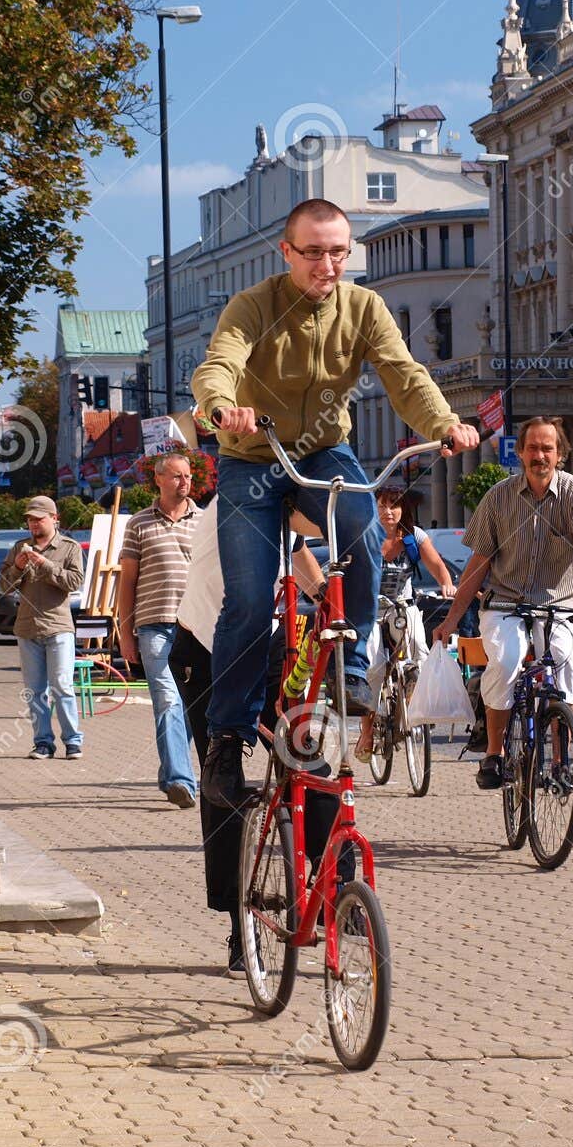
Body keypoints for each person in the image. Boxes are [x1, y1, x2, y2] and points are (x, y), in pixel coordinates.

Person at [193, 196, 480, 810]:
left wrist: (444, 423)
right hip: (251, 456)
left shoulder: (363, 306)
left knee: (363, 523)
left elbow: (404, 374)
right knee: (248, 600)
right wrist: (221, 407)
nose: (327, 265)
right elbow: (219, 364)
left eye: (338, 253)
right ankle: (226, 738)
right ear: (286, 252)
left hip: (324, 453)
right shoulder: (253, 305)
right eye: (313, 253)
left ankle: (351, 666)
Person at [172, 504, 328, 974]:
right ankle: (240, 923)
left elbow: (297, 548)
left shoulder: (279, 506)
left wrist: (325, 595)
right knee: (224, 780)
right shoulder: (238, 504)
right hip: (205, 650)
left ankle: (335, 886)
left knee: (306, 756)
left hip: (267, 643)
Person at [432, 416, 573, 791]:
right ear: (520, 453)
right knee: (506, 660)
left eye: (547, 448)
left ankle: (561, 760)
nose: (539, 455)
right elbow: (477, 566)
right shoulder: (499, 497)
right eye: (532, 448)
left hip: (561, 603)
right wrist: (451, 620)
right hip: (506, 603)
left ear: (560, 455)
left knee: (564, 663)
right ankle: (494, 754)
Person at [117, 453, 200, 808]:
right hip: (154, 625)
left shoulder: (204, 522)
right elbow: (127, 581)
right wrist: (125, 634)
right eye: (177, 476)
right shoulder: (138, 523)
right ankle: (181, 779)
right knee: (167, 698)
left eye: (188, 476)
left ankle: (170, 770)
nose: (184, 482)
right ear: (159, 479)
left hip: (196, 627)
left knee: (193, 704)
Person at [354, 485, 456, 762]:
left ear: (403, 509)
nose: (388, 511)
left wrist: (446, 583)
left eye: (394, 505)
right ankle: (367, 732)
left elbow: (437, 565)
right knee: (373, 668)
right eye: (383, 506)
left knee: (419, 651)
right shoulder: (365, 534)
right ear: (374, 508)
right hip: (371, 609)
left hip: (402, 606)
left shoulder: (414, 536)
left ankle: (413, 700)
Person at [1, 495, 86, 761]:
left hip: (58, 626)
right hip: (27, 628)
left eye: (39, 519)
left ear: (54, 518)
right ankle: (42, 743)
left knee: (62, 686)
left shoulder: (69, 547)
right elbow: (4, 586)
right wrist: (17, 567)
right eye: (30, 520)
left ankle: (73, 741)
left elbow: (75, 582)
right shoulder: (19, 547)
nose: (34, 524)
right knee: (35, 692)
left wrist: (45, 564)